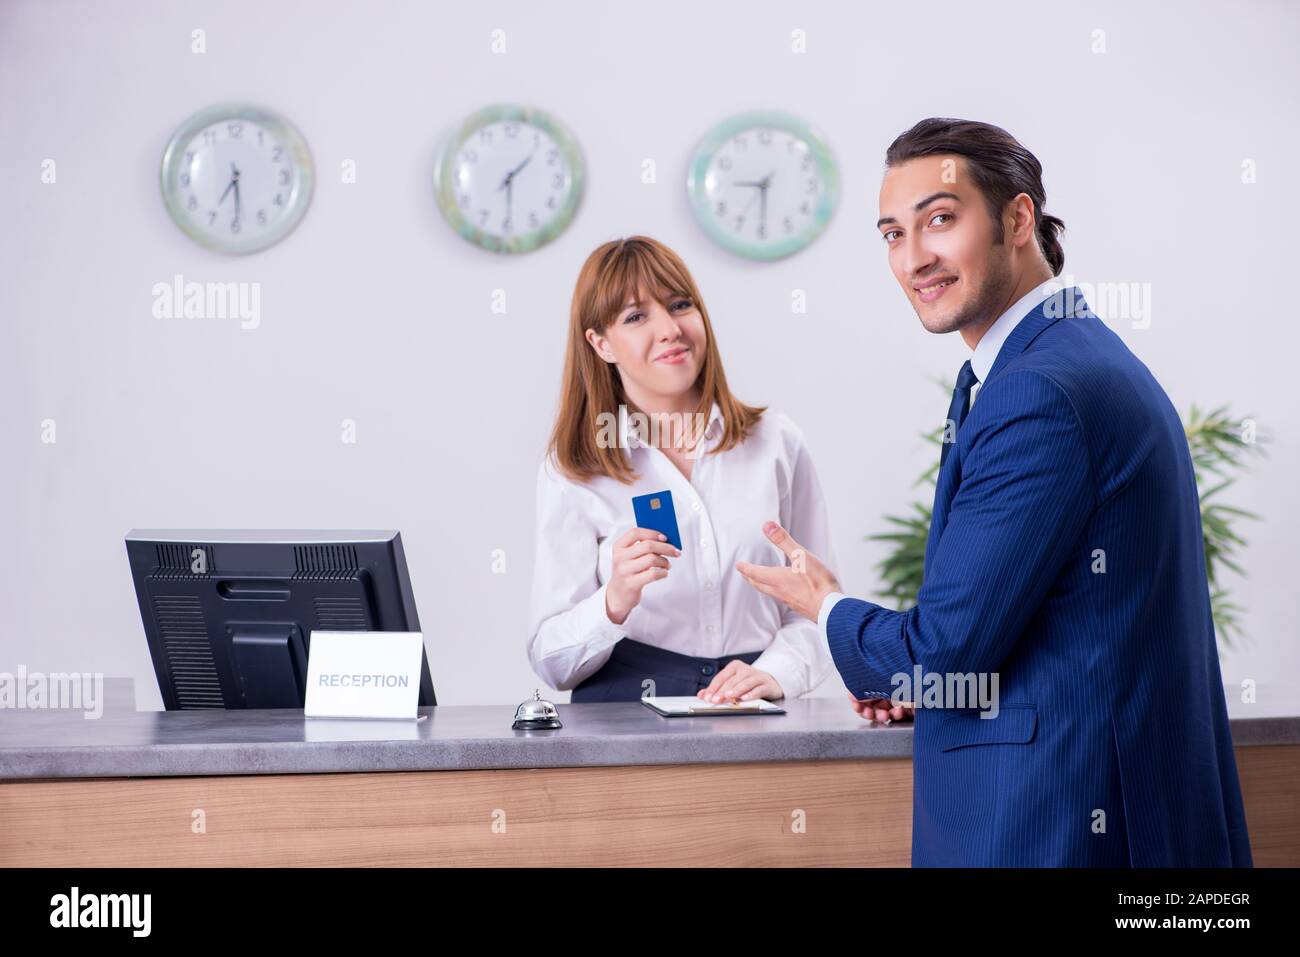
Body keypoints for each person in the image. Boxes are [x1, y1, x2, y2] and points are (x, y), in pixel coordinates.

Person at [736, 118, 1252, 867]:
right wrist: (935, 686)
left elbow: (942, 651)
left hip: (1059, 820)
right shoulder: (1068, 356)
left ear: (1018, 219)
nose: (913, 258)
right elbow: (1049, 624)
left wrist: (826, 605)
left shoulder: (1039, 390)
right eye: (892, 234)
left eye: (940, 220)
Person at [527, 235, 836, 704]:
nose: (670, 329)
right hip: (624, 717)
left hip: (752, 708)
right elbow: (551, 662)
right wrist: (614, 600)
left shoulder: (776, 442)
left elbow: (821, 603)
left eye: (679, 305)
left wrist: (776, 673)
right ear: (601, 344)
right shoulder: (574, 467)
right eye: (636, 317)